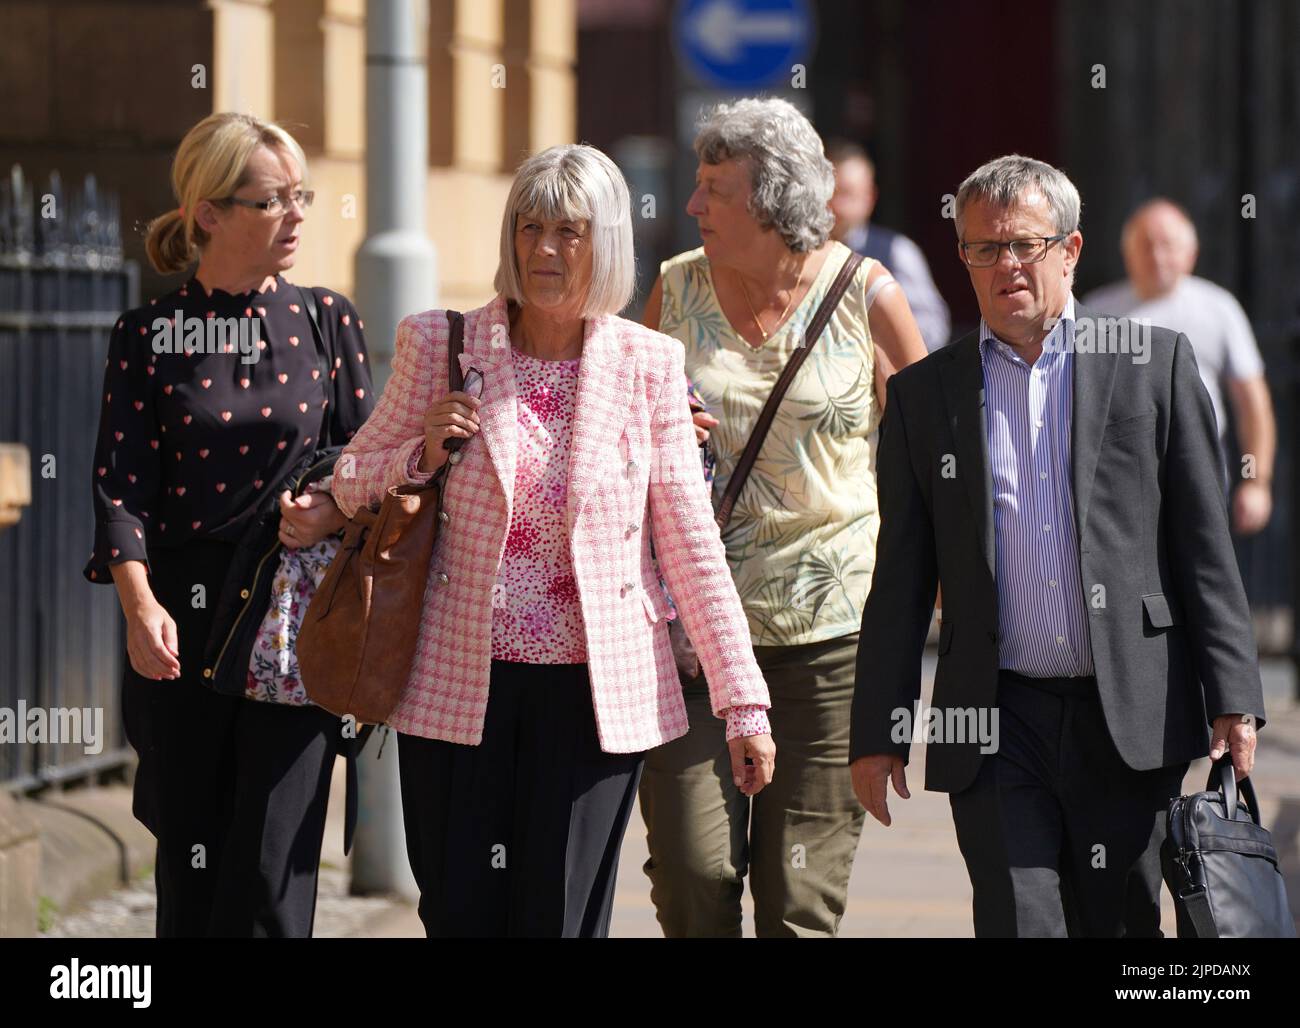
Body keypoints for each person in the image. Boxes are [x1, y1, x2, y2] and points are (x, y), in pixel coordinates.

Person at [330, 143, 774, 939]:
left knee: (559, 921)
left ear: (604, 242)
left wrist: (743, 703)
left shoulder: (648, 364)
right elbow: (352, 481)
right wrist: (420, 454)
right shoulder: (444, 345)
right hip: (458, 688)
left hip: (590, 697)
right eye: (529, 227)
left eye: (569, 231)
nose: (543, 249)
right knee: (462, 915)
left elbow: (690, 543)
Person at [850, 154, 1265, 937]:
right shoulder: (923, 397)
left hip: (1130, 712)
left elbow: (1204, 546)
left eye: (1024, 246)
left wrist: (1234, 695)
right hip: (998, 717)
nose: (1005, 265)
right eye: (983, 249)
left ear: (1068, 252)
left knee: (1123, 924)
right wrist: (880, 731)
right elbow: (901, 577)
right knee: (1019, 921)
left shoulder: (1153, 365)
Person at [640, 98, 927, 937]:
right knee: (695, 871)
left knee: (799, 898)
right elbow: (613, 426)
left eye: (712, 188)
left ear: (771, 202)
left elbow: (933, 459)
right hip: (696, 633)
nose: (692, 205)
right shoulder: (674, 288)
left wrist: (936, 590)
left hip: (831, 636)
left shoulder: (865, 294)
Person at [84, 112, 375, 936]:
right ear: (209, 213)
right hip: (184, 621)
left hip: (291, 621)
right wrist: (139, 607)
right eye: (273, 200)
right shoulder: (147, 337)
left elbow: (365, 461)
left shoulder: (327, 320)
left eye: (301, 196)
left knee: (274, 875)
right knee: (194, 865)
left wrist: (331, 508)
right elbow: (120, 486)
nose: (297, 216)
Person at [1084, 198, 1275, 533]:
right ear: (1127, 252)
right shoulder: (1095, 312)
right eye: (1145, 246)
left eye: (1168, 246)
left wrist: (1256, 481)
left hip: (1199, 481)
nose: (1157, 257)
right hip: (1116, 490)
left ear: (1191, 254)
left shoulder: (1219, 308)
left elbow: (1251, 400)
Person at [829, 140, 951, 351]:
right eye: (829, 193)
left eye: (847, 194)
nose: (836, 205)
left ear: (870, 198)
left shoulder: (897, 252)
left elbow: (932, 328)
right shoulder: (799, 252)